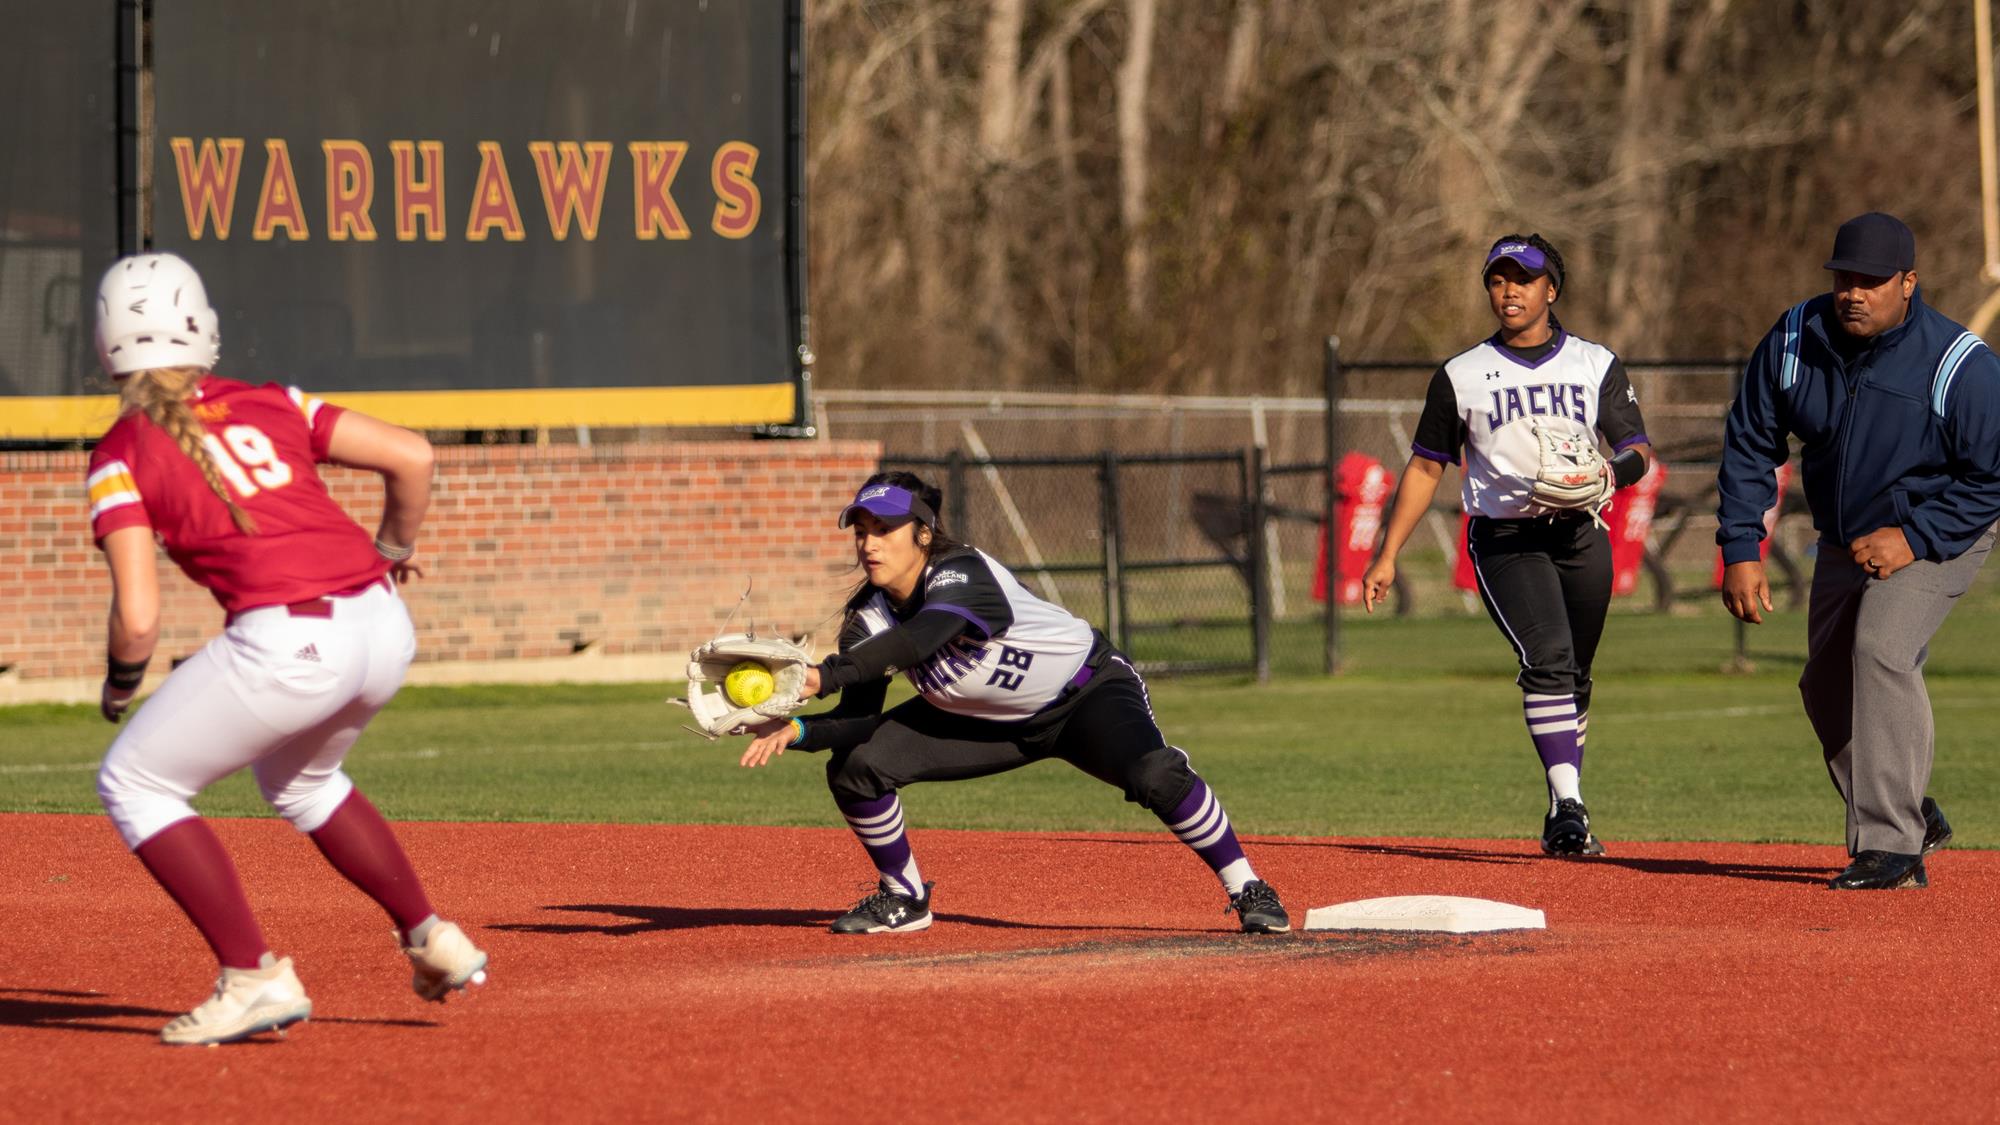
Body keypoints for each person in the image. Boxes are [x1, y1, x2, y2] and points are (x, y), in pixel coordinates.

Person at [85, 252, 489, 1045]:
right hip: (381, 622)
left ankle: (251, 976)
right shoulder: (273, 402)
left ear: (105, 344)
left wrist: (119, 684)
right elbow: (414, 453)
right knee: (304, 783)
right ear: (204, 332)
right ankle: (432, 937)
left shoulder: (120, 452)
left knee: (135, 782)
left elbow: (137, 618)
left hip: (292, 638)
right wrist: (391, 544)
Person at [733, 471, 1290, 935]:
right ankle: (904, 898)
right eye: (861, 530)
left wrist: (820, 675)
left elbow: (921, 639)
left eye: (885, 528)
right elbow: (856, 721)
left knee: (1153, 773)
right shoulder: (868, 622)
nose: (869, 543)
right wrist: (797, 731)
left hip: (1084, 693)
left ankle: (1246, 884)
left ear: (923, 534)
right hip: (983, 723)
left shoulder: (962, 574)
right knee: (856, 768)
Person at [1717, 212, 2000, 890]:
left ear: (1908, 281)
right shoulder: (1794, 338)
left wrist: (1916, 538)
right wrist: (1740, 546)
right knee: (1824, 684)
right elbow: (1753, 440)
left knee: (1881, 647)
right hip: (1846, 538)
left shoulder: (1959, 364)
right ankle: (1910, 812)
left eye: (1872, 280)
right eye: (1844, 276)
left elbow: (1992, 475)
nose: (1853, 292)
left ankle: (1890, 846)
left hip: (1942, 527)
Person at [1361, 233, 1653, 856]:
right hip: (1505, 538)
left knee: (1575, 671)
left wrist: (1609, 474)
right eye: (1498, 279)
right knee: (1547, 658)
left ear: (1552, 289)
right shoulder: (1461, 375)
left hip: (1581, 532)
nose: (1509, 290)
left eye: (1523, 278)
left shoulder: (1593, 363)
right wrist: (1387, 554)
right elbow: (1424, 467)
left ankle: (1564, 798)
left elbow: (1637, 450)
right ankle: (1567, 805)